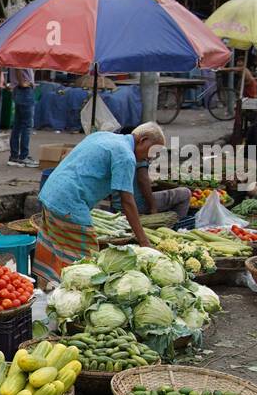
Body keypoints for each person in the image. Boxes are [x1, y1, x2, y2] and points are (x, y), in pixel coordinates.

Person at [33, 122, 166, 285]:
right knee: (86, 266)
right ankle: (69, 295)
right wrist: (144, 242)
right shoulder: (126, 155)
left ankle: (51, 289)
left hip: (52, 193)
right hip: (69, 202)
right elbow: (127, 202)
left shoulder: (104, 136)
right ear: (143, 140)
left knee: (58, 251)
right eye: (151, 152)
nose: (149, 158)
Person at [7, 67, 37, 168]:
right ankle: (23, 156)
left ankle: (14, 156)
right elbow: (18, 68)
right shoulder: (22, 55)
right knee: (26, 126)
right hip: (24, 91)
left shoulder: (18, 54)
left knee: (18, 125)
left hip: (20, 91)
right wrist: (23, 83)